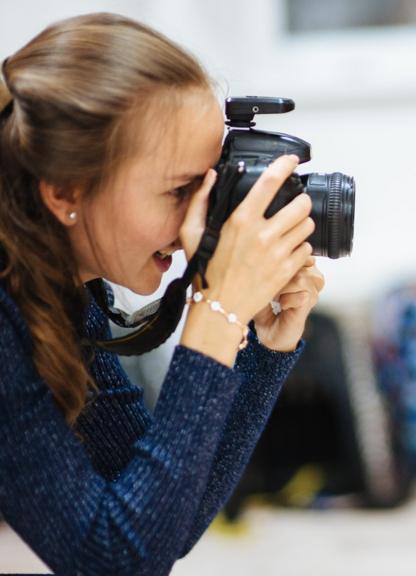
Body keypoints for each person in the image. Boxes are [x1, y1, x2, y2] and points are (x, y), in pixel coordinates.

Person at [0, 12, 325, 575]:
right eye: (180, 190)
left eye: (208, 186)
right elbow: (115, 560)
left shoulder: (57, 292)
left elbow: (157, 523)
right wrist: (214, 315)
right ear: (65, 191)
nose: (200, 220)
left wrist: (262, 348)